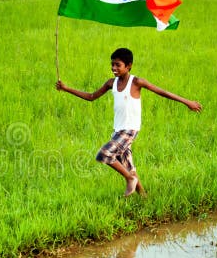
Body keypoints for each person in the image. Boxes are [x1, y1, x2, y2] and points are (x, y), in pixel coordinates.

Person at [55, 48, 202, 197]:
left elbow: (162, 92)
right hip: (118, 131)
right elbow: (91, 96)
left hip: (130, 130)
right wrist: (66, 89)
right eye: (112, 64)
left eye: (118, 65)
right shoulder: (111, 83)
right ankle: (144, 197)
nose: (114, 68)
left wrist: (187, 102)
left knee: (104, 154)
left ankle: (129, 179)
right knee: (129, 167)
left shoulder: (137, 82)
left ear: (128, 65)